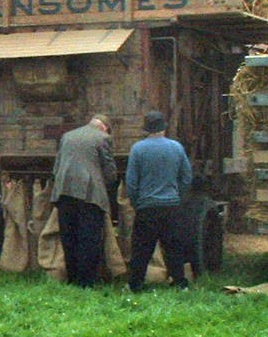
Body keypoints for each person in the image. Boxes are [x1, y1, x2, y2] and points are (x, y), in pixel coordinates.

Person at [126, 110, 194, 293]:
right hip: (171, 206)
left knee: (141, 249)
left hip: (146, 207)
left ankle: (136, 284)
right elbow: (187, 177)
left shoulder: (138, 149)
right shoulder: (176, 147)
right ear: (164, 127)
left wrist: (136, 202)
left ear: (146, 129)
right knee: (173, 248)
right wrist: (177, 196)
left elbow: (131, 183)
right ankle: (179, 283)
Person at [50, 114, 117, 288]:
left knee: (69, 236)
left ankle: (72, 277)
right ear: (104, 127)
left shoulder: (68, 136)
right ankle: (87, 281)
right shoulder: (103, 138)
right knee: (89, 238)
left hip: (63, 192)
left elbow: (57, 166)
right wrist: (109, 186)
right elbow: (109, 170)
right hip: (89, 195)